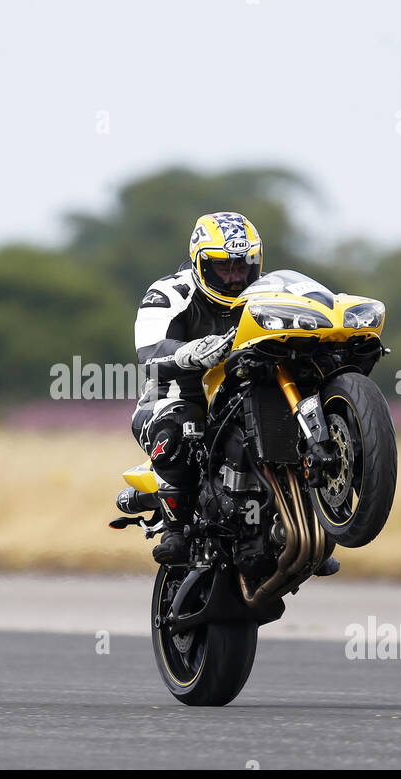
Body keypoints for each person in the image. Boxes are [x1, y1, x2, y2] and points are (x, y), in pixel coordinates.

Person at [131, 212, 262, 563]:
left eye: (243, 266)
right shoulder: (168, 293)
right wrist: (189, 352)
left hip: (242, 399)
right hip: (173, 397)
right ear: (201, 263)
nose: (235, 277)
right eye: (224, 267)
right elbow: (149, 352)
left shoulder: (266, 294)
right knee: (182, 426)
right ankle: (176, 529)